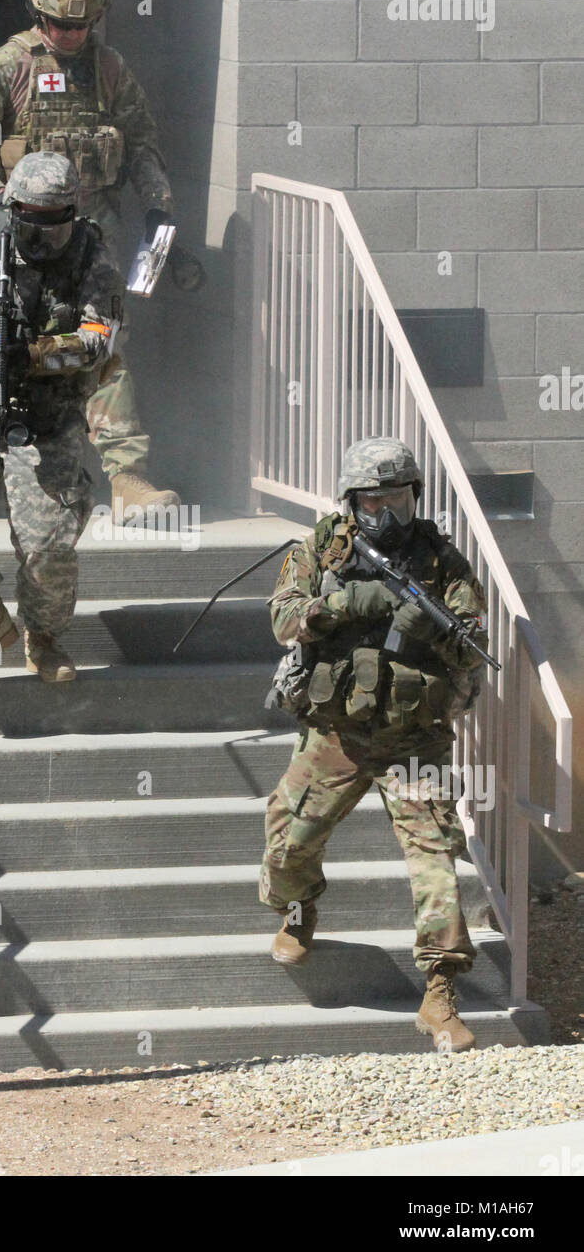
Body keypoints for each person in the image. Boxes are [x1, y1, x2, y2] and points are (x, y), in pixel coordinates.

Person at [0, 0, 203, 523]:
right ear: (39, 16)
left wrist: (158, 211)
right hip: (23, 232)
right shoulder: (5, 67)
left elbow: (141, 142)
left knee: (103, 344)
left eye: (82, 25)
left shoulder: (108, 69)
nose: (71, 34)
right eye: (61, 24)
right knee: (5, 344)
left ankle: (127, 479)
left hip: (93, 228)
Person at [259, 437, 490, 1052]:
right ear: (352, 501)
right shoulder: (323, 546)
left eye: (397, 497)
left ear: (416, 496)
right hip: (335, 733)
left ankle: (441, 992)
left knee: (436, 862)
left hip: (413, 741)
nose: (385, 512)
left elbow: (472, 646)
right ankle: (299, 906)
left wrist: (431, 631)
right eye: (372, 499)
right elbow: (283, 618)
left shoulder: (441, 560)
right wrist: (341, 604)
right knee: (288, 845)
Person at [0, 151, 123, 683]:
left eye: (56, 216)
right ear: (13, 206)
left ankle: (43, 638)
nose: (44, 227)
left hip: (51, 413)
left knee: (48, 544)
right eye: (32, 214)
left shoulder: (91, 253)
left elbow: (99, 338)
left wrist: (35, 354)